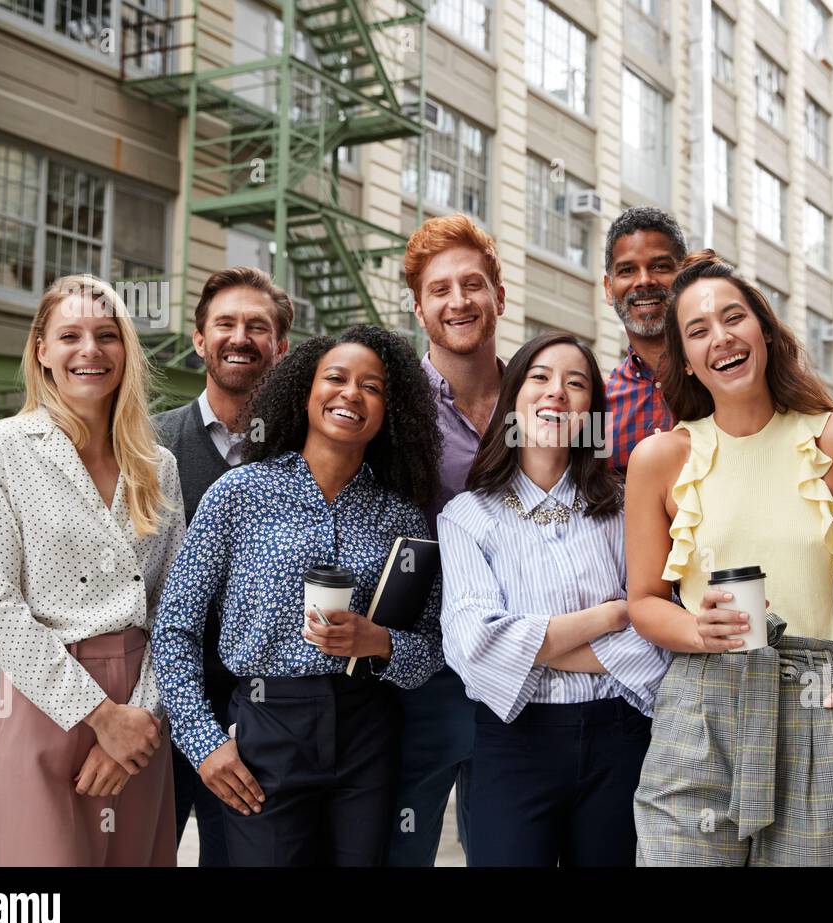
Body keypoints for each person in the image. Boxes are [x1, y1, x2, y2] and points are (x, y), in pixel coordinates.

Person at [626, 251, 833, 866]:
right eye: (698, 332)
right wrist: (697, 628)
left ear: (767, 332)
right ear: (688, 362)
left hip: (818, 701)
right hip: (700, 706)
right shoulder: (659, 460)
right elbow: (642, 601)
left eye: (733, 318)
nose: (720, 338)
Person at [151, 326, 444, 866]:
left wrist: (380, 643)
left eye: (372, 387)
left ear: (390, 410)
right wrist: (204, 743)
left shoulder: (399, 516)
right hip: (268, 725)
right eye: (335, 378)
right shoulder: (240, 494)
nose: (351, 393)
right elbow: (175, 627)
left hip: (367, 731)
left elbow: (430, 647)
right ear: (304, 391)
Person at [0, 274, 184, 866]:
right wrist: (99, 716)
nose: (90, 350)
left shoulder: (157, 465)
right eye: (71, 335)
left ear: (126, 350)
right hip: (44, 693)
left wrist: (139, 719)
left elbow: (174, 608)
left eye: (107, 335)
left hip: (142, 703)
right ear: (42, 349)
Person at [439, 331, 670, 866]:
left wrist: (526, 643)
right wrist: (612, 614)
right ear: (513, 397)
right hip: (514, 742)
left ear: (593, 409)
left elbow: (655, 644)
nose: (556, 394)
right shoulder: (467, 517)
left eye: (576, 383)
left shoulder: (624, 504)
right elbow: (474, 647)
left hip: (622, 735)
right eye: (540, 378)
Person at [151, 266, 292, 867]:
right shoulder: (147, 447)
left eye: (257, 327)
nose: (240, 337)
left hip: (265, 725)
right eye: (225, 324)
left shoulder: (303, 457)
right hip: (157, 711)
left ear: (281, 347)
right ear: (199, 339)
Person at [385, 214, 506, 866]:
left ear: (499, 296)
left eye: (472, 284)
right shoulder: (391, 410)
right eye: (440, 290)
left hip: (521, 663)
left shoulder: (540, 400)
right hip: (422, 671)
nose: (458, 301)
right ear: (420, 308)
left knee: (508, 846)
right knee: (404, 850)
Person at [603, 206, 687, 472]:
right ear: (608, 288)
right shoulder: (596, 406)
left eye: (660, 266)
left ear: (685, 276)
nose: (644, 281)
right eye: (627, 270)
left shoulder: (724, 380)